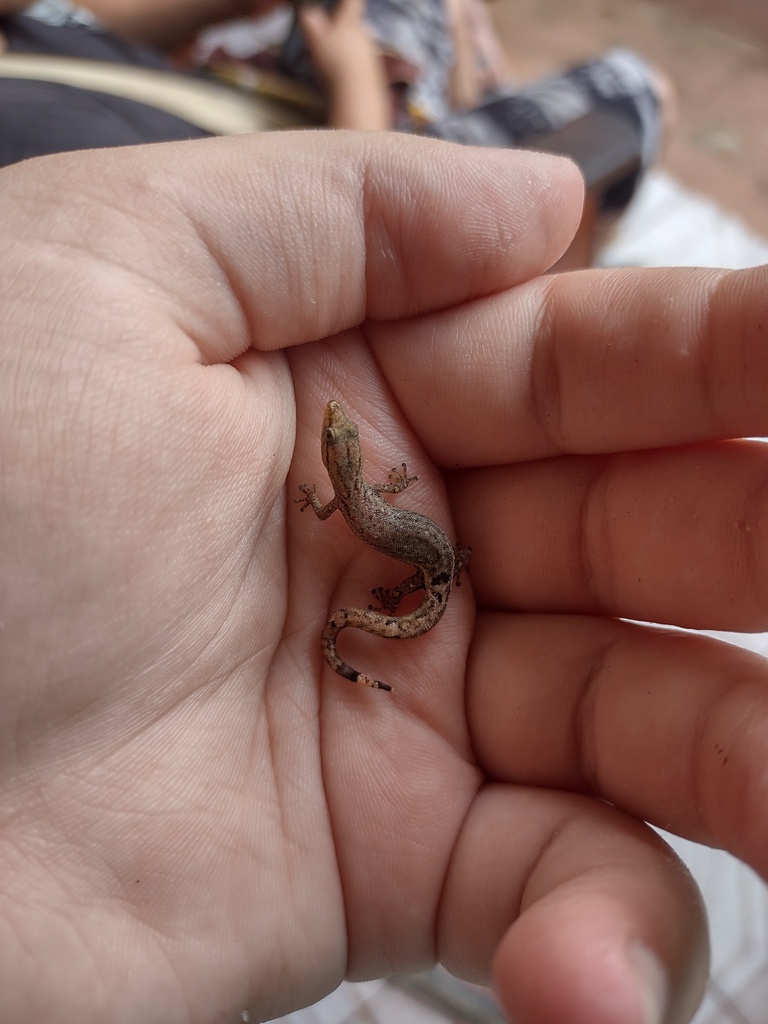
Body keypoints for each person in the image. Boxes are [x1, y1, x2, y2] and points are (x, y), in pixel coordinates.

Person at [2, 128, 767, 1024]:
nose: (338, 440)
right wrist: (382, 568)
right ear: (343, 460)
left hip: (434, 563)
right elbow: (355, 512)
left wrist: (382, 558)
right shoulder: (351, 494)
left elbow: (349, 512)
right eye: (339, 444)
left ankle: (371, 635)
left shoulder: (345, 495)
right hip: (430, 560)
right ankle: (363, 640)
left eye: (340, 441)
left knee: (424, 581)